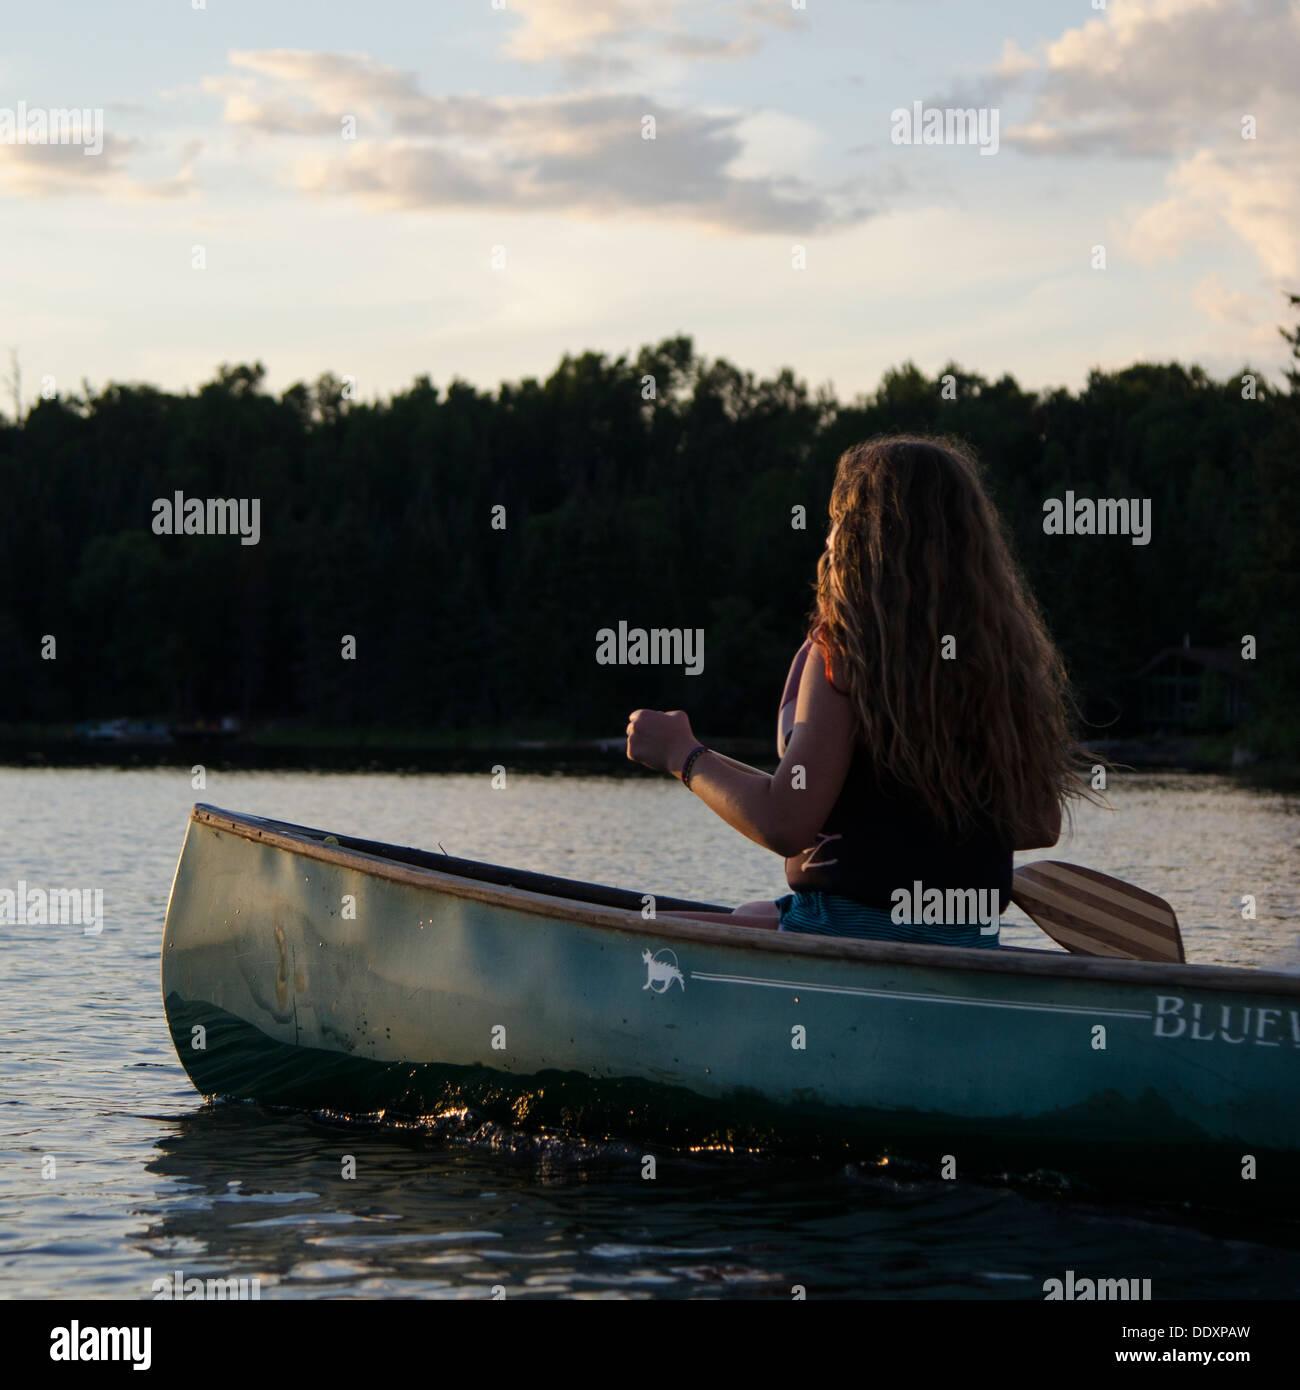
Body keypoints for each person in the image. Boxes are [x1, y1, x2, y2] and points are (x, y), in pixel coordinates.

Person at [625, 434, 1095, 947]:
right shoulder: (1005, 665)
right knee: (755, 910)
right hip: (968, 945)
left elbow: (785, 824)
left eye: (837, 519)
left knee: (656, 934)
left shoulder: (846, 654)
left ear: (859, 537)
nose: (828, 536)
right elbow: (1038, 824)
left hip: (848, 935)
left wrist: (683, 756)